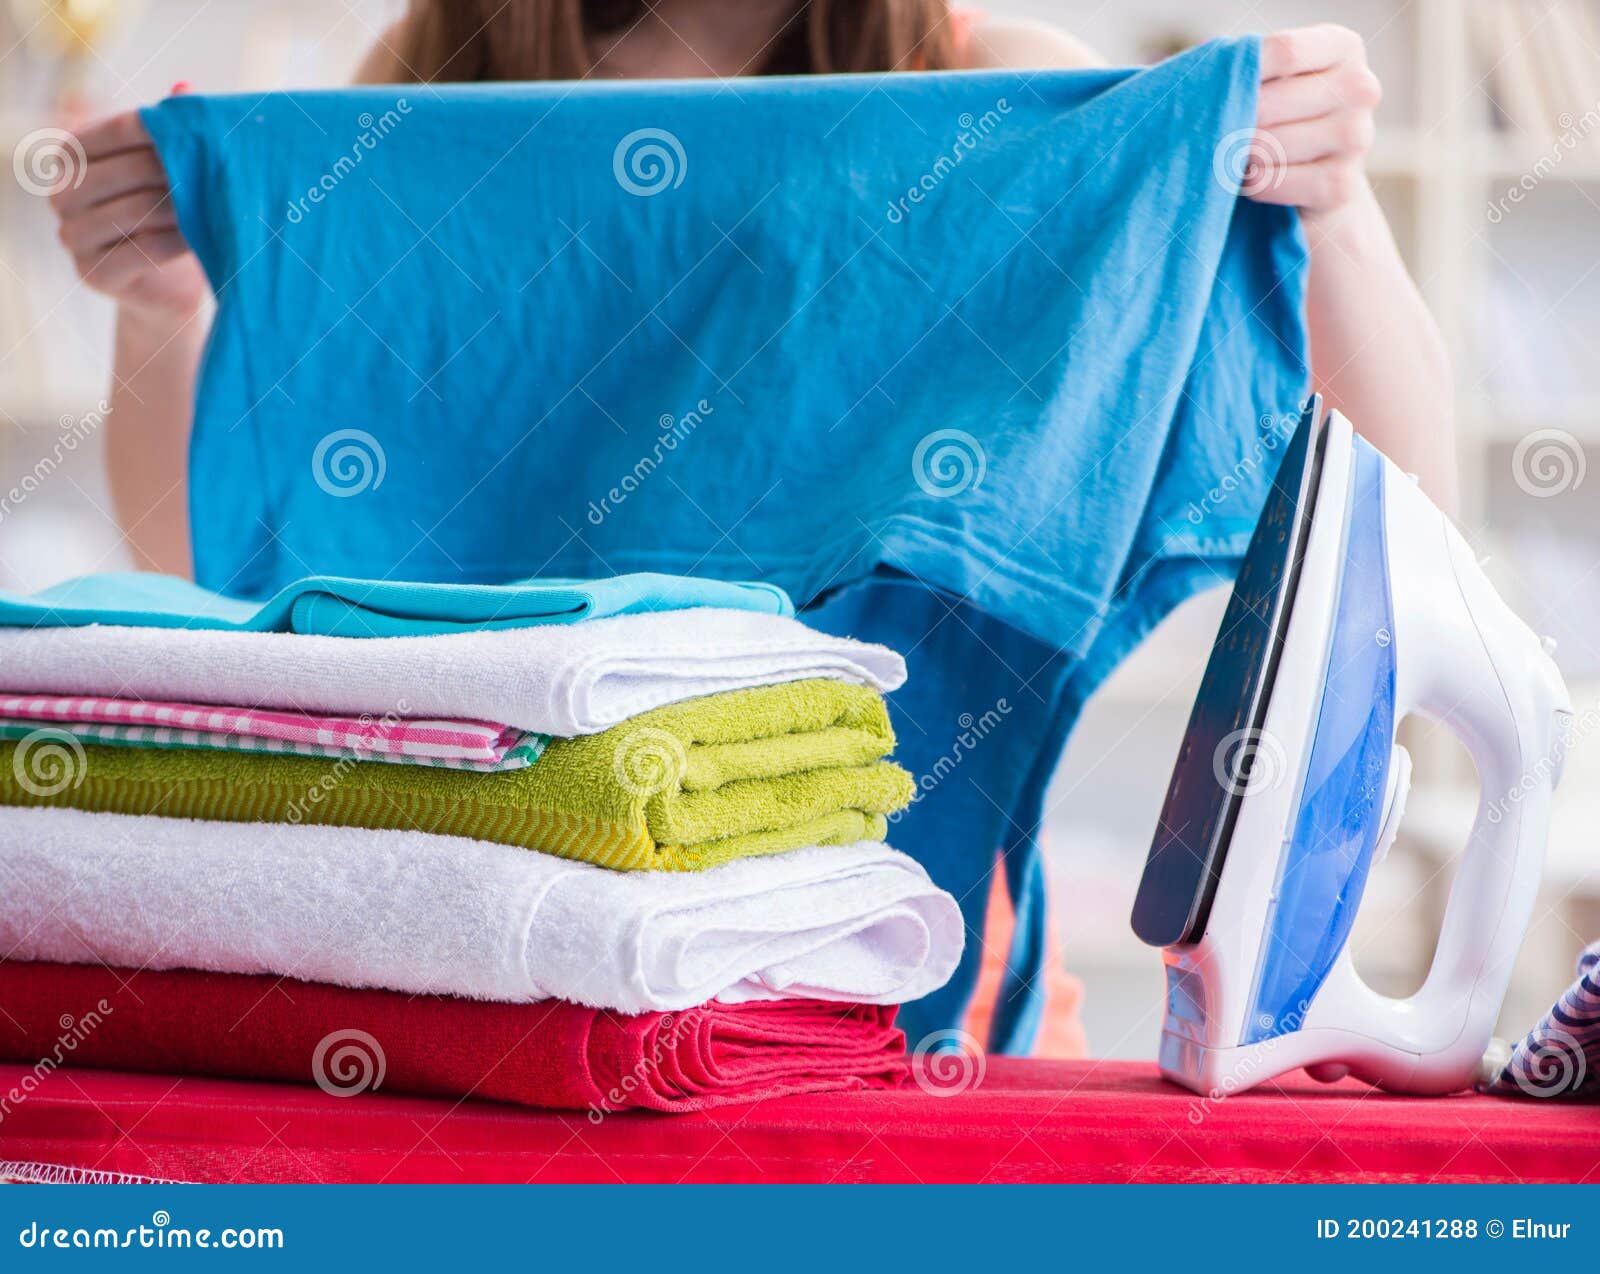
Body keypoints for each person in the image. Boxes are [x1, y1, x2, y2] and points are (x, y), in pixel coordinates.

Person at [48, 0, 1457, 1051]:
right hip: (499, 993)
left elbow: (1408, 528)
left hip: (919, 1008)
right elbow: (217, 591)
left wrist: (1329, 210)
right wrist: (167, 307)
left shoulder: (1003, 84)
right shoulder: (432, 91)